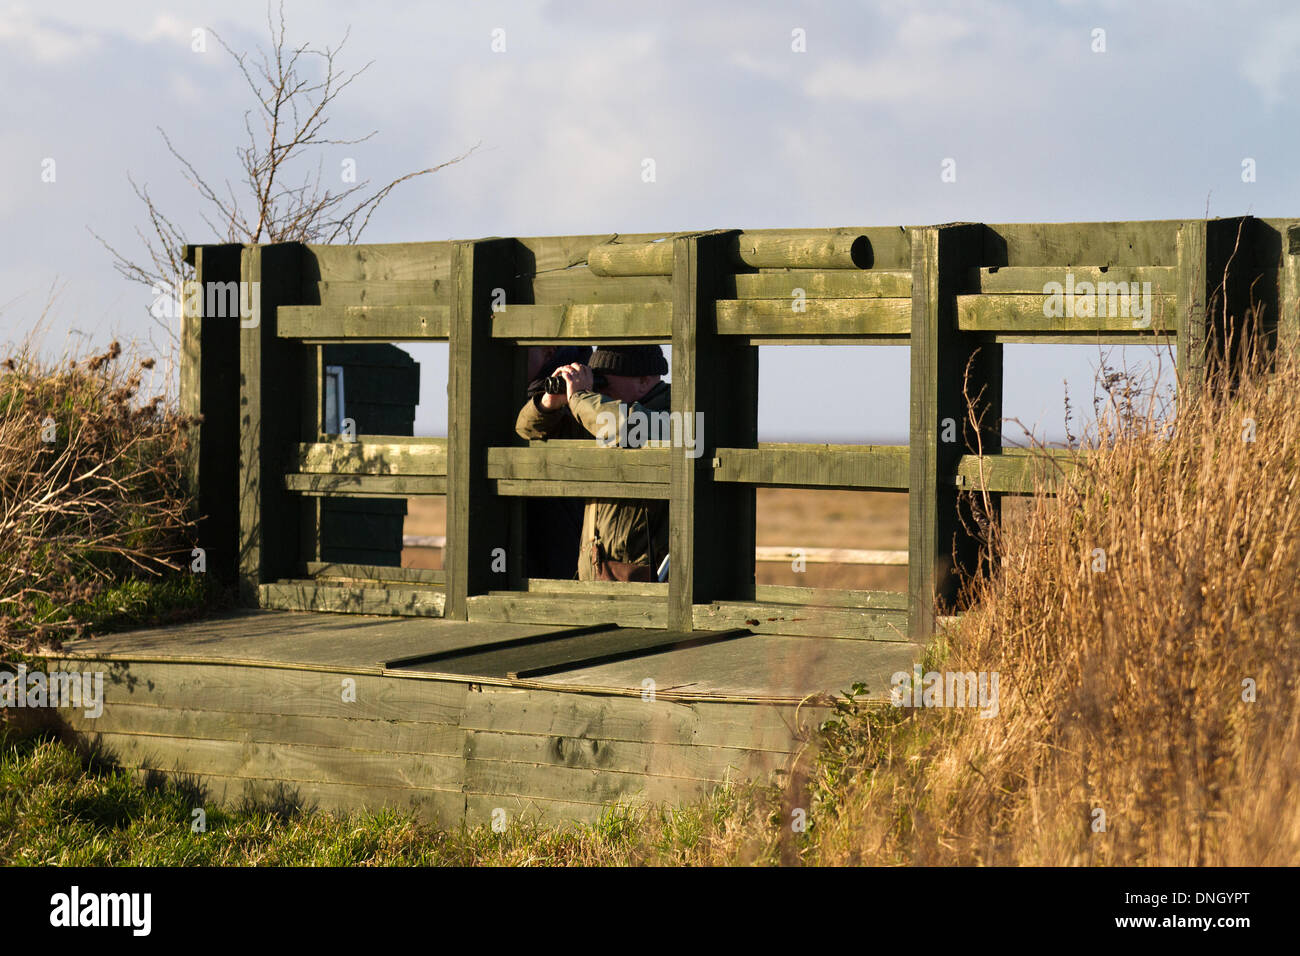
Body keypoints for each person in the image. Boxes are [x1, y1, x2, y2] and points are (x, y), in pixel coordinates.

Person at [515, 345, 670, 582]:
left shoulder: (672, 414)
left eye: (604, 382)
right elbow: (526, 428)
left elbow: (625, 427)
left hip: (649, 579)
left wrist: (580, 397)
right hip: (597, 573)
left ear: (643, 380)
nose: (599, 390)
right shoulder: (595, 416)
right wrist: (549, 402)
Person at [522, 345, 591, 580]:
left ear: (548, 352)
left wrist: (579, 399)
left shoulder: (581, 385)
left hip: (562, 530)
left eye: (521, 349)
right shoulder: (518, 386)